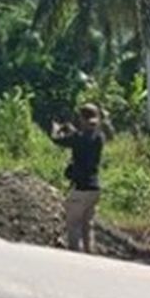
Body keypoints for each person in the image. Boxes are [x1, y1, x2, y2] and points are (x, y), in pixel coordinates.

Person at [51, 103, 104, 253]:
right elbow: (83, 137)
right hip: (94, 188)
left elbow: (57, 139)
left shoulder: (78, 138)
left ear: (81, 118)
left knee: (73, 224)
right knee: (88, 225)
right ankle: (89, 253)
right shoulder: (99, 137)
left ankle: (75, 256)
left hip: (80, 188)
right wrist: (72, 130)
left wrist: (57, 129)